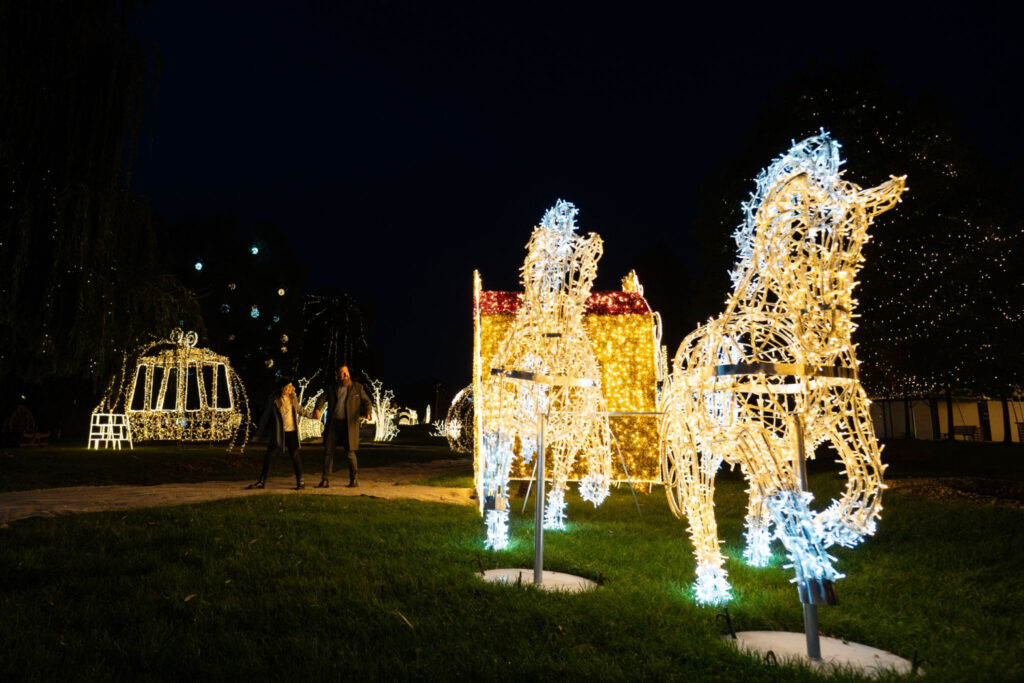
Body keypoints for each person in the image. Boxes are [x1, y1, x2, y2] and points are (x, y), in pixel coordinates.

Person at [249, 377, 317, 490]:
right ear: (282, 388)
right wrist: (257, 435)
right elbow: (265, 416)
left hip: (292, 433)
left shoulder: (293, 398)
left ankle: (301, 482)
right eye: (288, 386)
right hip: (279, 434)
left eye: (291, 386)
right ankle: (261, 481)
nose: (291, 388)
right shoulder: (274, 400)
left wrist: (312, 416)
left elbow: (300, 409)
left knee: (295, 456)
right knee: (269, 456)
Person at [313, 364, 372, 488]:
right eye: (342, 372)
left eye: (347, 372)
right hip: (333, 425)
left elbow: (367, 401)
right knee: (328, 452)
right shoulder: (332, 387)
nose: (346, 375)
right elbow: (322, 398)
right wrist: (317, 409)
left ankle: (354, 480)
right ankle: (325, 480)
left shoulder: (357, 387)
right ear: (337, 375)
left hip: (348, 425)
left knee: (350, 453)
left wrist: (368, 412)